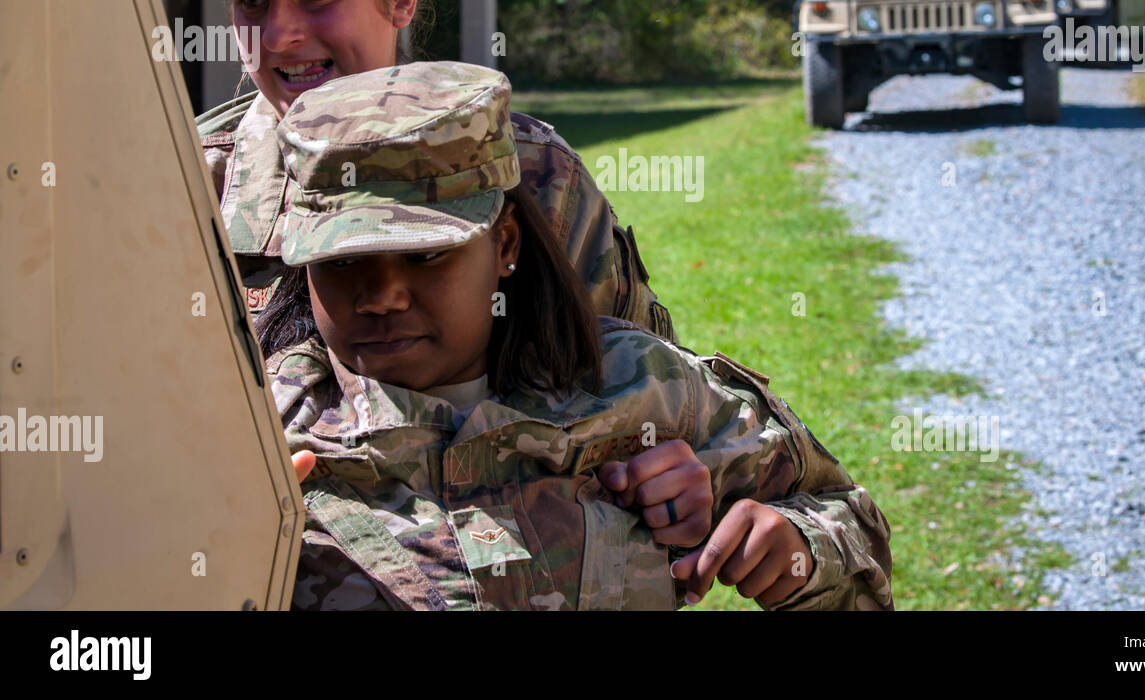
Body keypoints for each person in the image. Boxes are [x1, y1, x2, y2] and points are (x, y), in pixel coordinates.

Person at [264, 60, 894, 610]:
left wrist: (795, 552)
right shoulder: (261, 432)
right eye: (342, 262)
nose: (381, 297)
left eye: (426, 255)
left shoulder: (642, 390)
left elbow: (854, 530)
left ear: (504, 243)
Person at [191, 0, 673, 340]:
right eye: (252, 0)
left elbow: (632, 384)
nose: (279, 35)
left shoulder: (534, 176)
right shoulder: (191, 184)